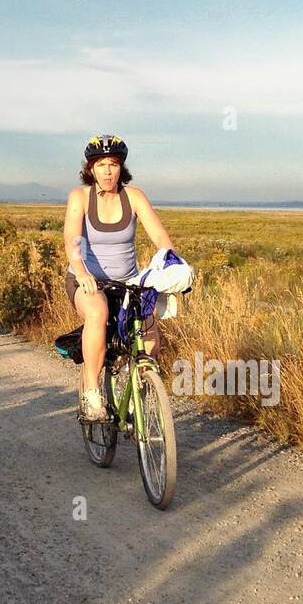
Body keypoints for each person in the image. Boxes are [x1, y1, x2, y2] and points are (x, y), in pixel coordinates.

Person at [63, 135, 176, 422]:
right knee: (98, 312)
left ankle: (135, 381)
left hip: (128, 281)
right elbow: (72, 242)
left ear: (121, 167)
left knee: (149, 336)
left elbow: (160, 237)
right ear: (91, 169)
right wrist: (82, 271)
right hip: (86, 279)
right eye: (101, 165)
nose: (108, 171)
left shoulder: (134, 196)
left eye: (113, 164)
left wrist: (174, 264)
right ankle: (91, 392)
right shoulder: (80, 197)